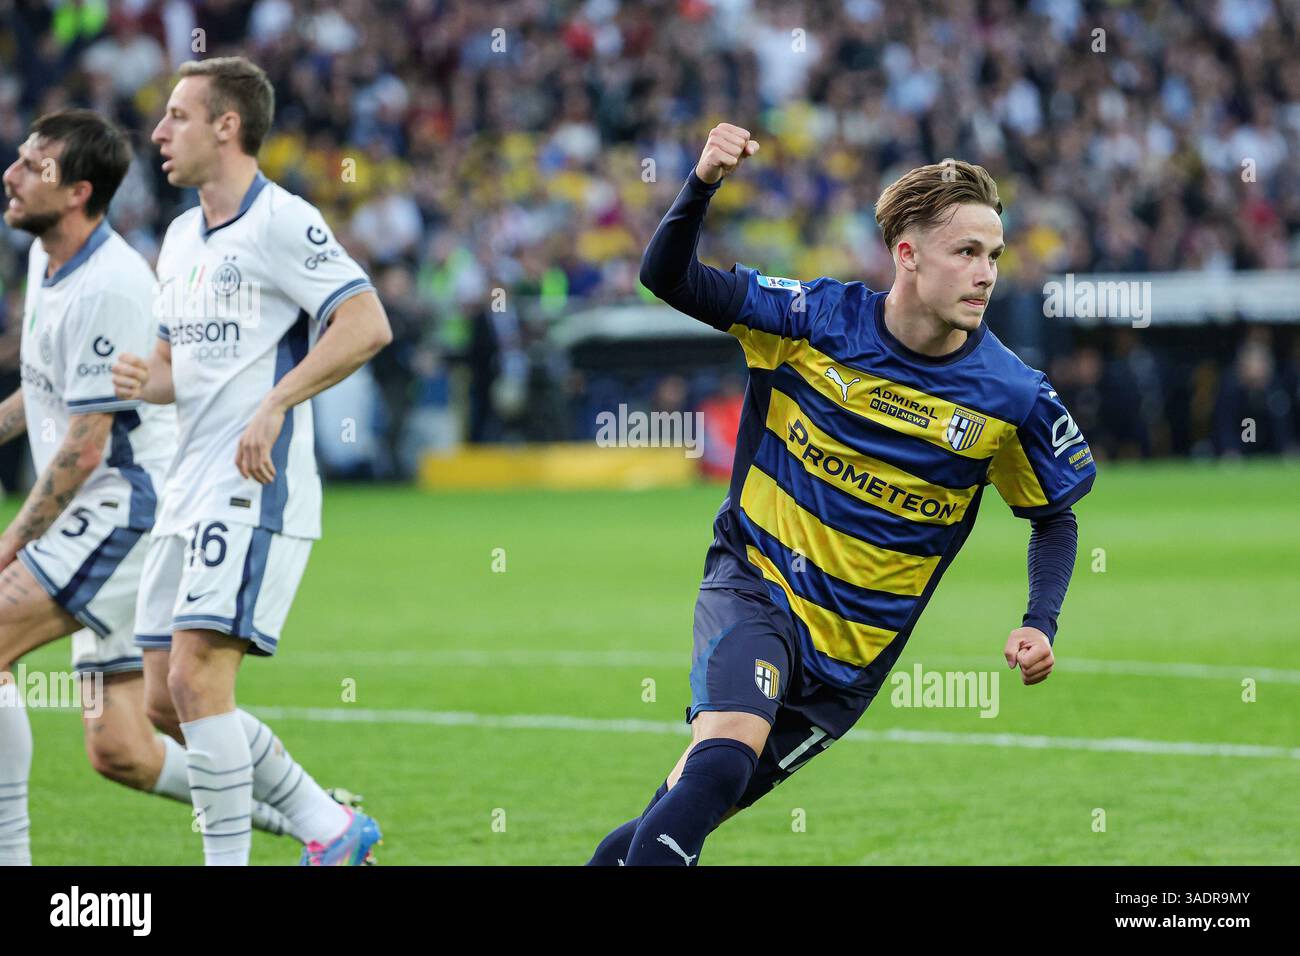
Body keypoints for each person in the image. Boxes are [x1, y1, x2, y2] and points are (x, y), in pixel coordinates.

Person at [590, 125, 1095, 865]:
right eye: (966, 252)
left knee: (674, 814)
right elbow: (670, 277)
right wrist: (701, 183)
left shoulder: (1014, 396)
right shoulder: (812, 320)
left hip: (849, 662)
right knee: (723, 760)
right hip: (756, 585)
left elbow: (1055, 518)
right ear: (908, 255)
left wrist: (1040, 620)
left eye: (993, 255)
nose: (986, 273)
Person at [113, 57, 392, 866]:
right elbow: (172, 368)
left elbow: (366, 321)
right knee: (171, 700)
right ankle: (329, 825)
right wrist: (142, 379)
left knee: (199, 684)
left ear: (226, 126)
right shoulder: (176, 237)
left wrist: (276, 403)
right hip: (185, 491)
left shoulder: (283, 221)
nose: (159, 133)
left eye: (177, 116)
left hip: (252, 489)